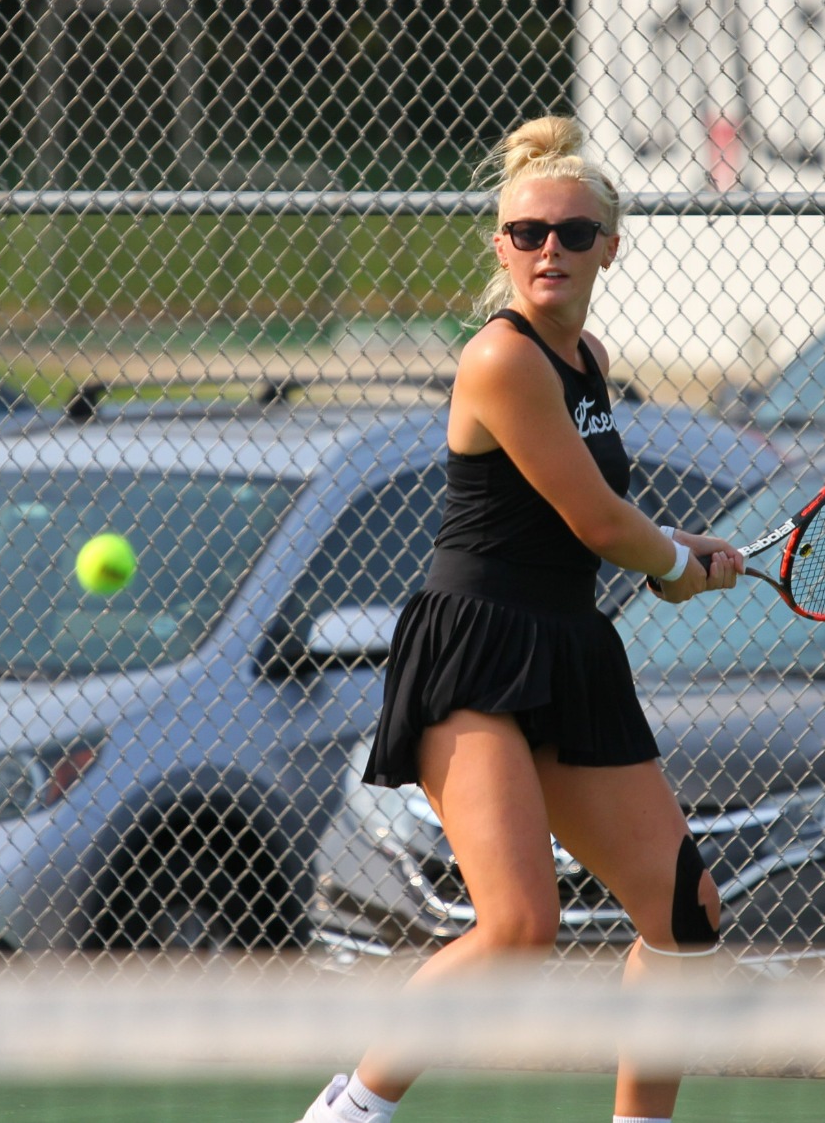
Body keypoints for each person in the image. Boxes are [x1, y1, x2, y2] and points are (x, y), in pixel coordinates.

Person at [294, 115, 745, 1123]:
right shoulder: (498, 361)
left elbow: (591, 514)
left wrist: (674, 552)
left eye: (573, 234)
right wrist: (672, 563)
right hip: (475, 650)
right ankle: (348, 1112)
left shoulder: (586, 356)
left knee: (684, 917)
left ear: (608, 249)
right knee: (517, 926)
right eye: (528, 233)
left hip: (569, 650)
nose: (550, 250)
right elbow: (591, 516)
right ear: (500, 247)